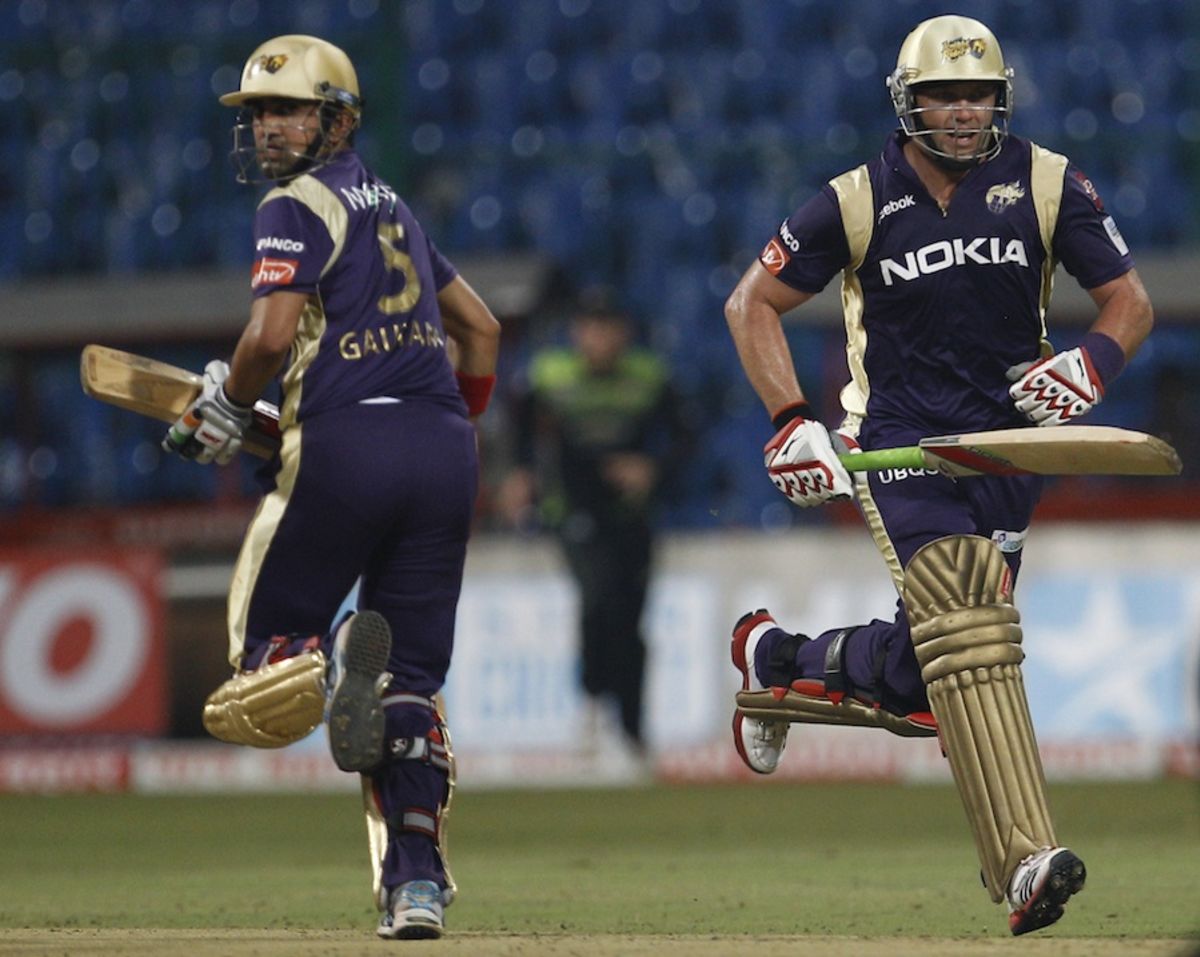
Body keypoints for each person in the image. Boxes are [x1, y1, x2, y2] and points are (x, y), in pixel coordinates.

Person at [723, 15, 1153, 937]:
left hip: (1009, 453)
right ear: (907, 102)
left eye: (979, 95)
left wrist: (1092, 364)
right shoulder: (854, 199)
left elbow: (1129, 300)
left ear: (1001, 101)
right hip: (902, 451)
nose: (963, 112)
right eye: (943, 96)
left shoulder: (1046, 181)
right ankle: (1025, 862)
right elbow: (750, 302)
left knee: (930, 674)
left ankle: (778, 656)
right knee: (974, 628)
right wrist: (792, 421)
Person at [162, 35, 500, 940]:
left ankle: (328, 650)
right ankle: (415, 884)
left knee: (257, 673)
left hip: (347, 442)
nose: (269, 128)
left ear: (337, 119)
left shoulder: (292, 205)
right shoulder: (395, 207)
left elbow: (270, 338)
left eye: (289, 110)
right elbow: (484, 330)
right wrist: (451, 426)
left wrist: (227, 407)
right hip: (442, 450)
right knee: (413, 691)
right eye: (260, 113)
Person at [500, 299, 692, 765]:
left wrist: (651, 469)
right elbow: (516, 427)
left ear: (623, 334)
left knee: (631, 619)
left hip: (631, 515)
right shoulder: (551, 375)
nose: (599, 340)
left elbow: (687, 436)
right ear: (575, 332)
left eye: (608, 329)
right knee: (598, 599)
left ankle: (630, 728)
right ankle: (592, 707)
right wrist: (517, 473)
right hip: (573, 508)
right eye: (590, 328)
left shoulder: (648, 377)